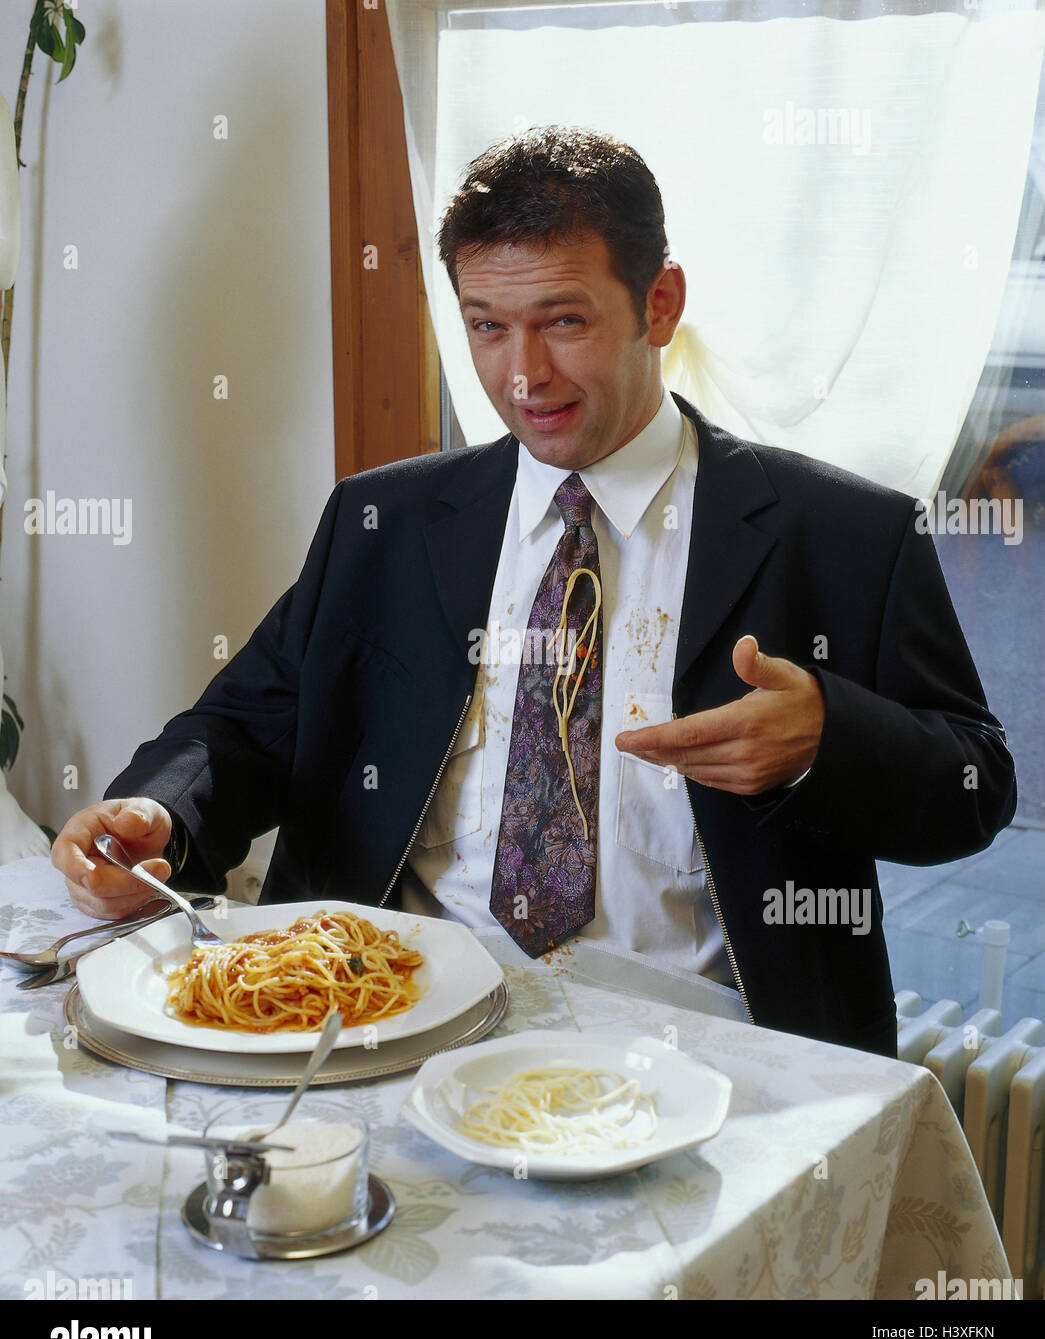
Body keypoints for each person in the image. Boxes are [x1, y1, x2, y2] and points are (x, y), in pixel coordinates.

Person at [51, 127, 1016, 1058]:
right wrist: (160, 816)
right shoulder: (379, 520)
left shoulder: (842, 534)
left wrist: (825, 739)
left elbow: (974, 785)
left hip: (707, 1045)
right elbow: (243, 726)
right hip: (391, 1016)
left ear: (661, 303)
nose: (523, 377)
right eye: (486, 327)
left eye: (563, 321)